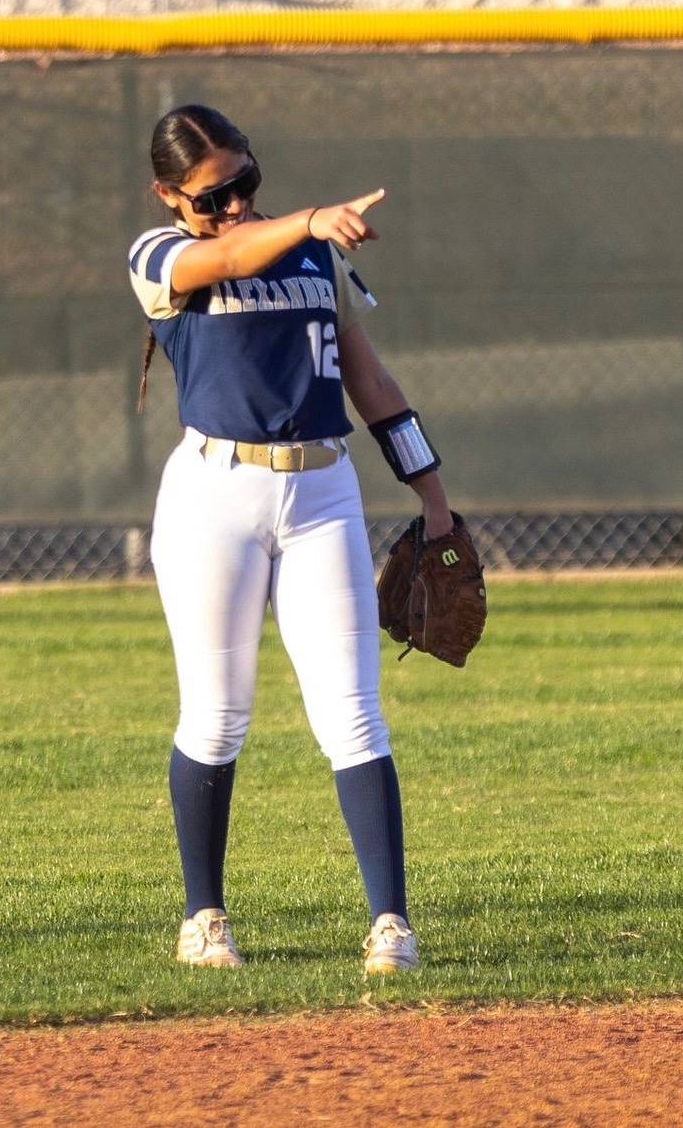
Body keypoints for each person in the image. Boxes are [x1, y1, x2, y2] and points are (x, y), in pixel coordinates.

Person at [128, 104, 457, 975]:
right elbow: (226, 257)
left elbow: (368, 376)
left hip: (323, 489)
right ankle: (204, 917)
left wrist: (433, 495)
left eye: (246, 184)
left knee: (354, 714)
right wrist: (304, 217)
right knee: (218, 712)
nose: (234, 206)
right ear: (170, 196)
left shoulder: (314, 254)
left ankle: (391, 923)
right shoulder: (159, 255)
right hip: (214, 496)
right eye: (212, 194)